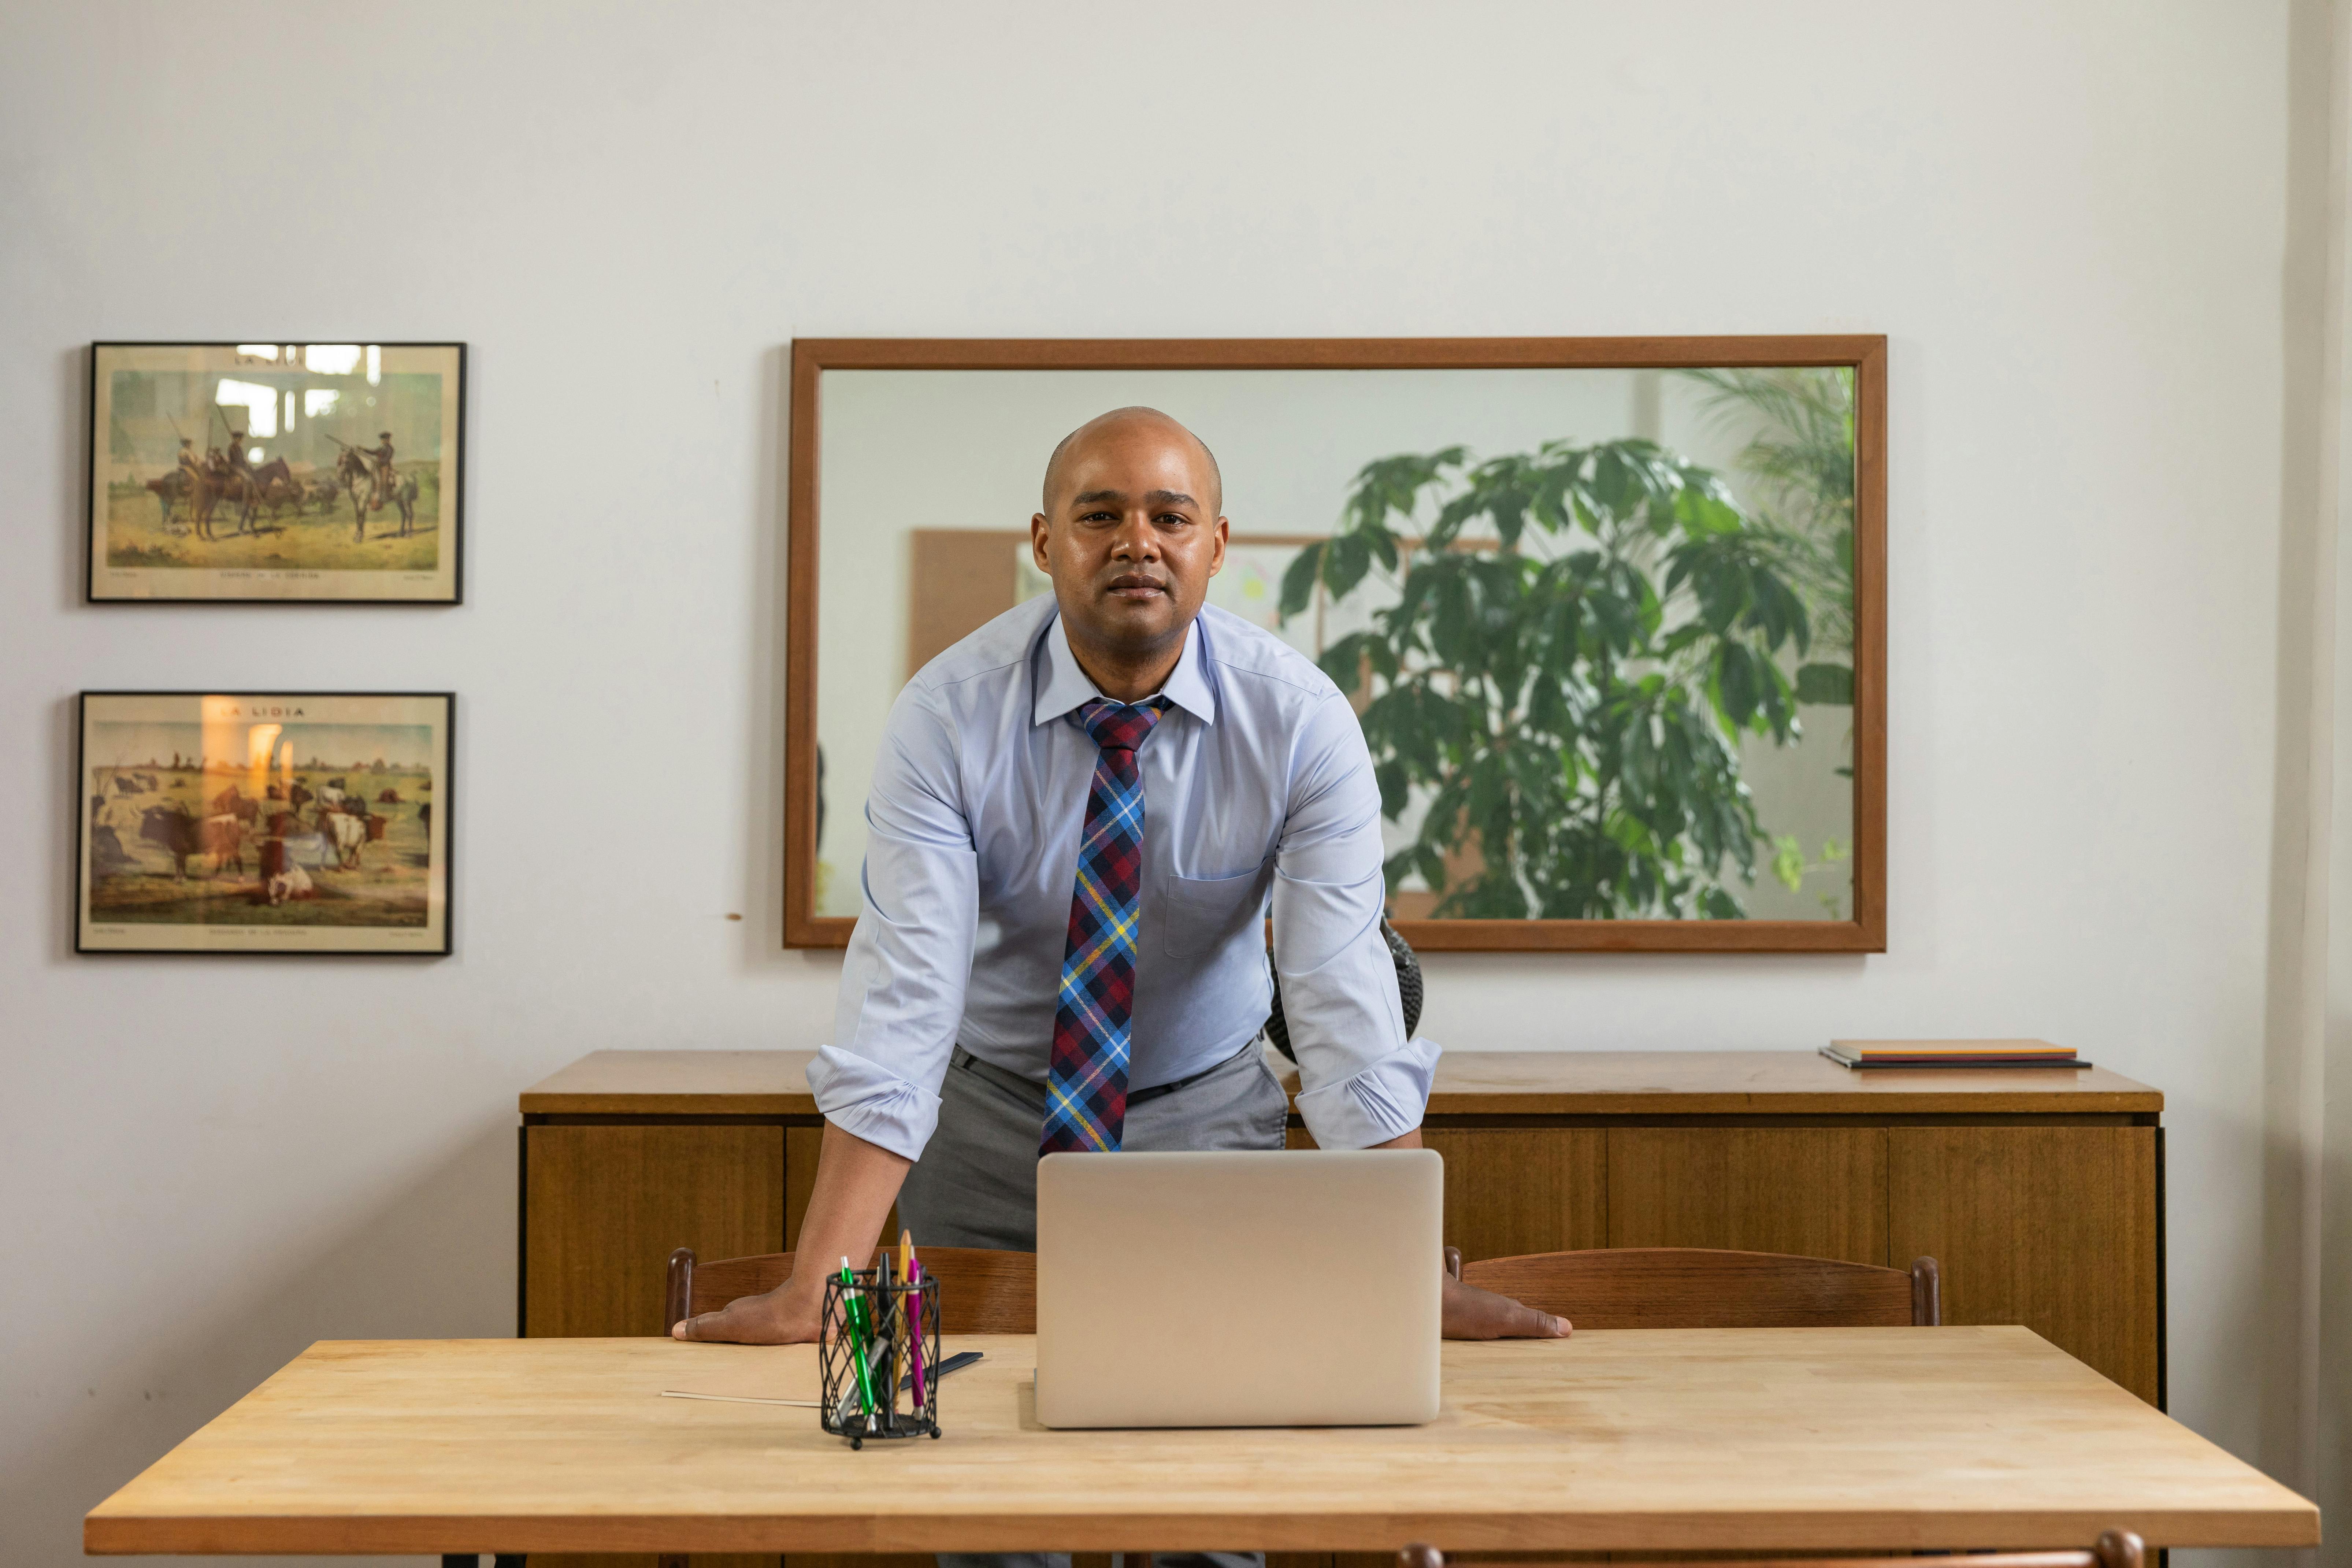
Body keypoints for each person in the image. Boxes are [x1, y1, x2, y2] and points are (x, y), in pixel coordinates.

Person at [677, 407, 1565, 1350]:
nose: (1136, 542)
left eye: (1170, 518)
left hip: (1206, 1116)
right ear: (1044, 542)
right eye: (1099, 515)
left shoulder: (1301, 723)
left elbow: (1342, 999)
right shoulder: (947, 718)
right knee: (958, 1423)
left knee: (1207, 1407)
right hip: (987, 1119)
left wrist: (1408, 1273)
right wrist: (822, 1280)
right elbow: (903, 998)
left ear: (1216, 546)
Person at [368, 431, 396, 507]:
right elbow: (373, 452)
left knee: (383, 481)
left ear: (388, 440)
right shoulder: (381, 447)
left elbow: (387, 459)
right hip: (378, 467)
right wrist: (363, 449)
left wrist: (378, 461)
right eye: (382, 440)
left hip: (385, 467)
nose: (382, 441)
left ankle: (384, 497)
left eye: (384, 439)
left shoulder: (390, 449)